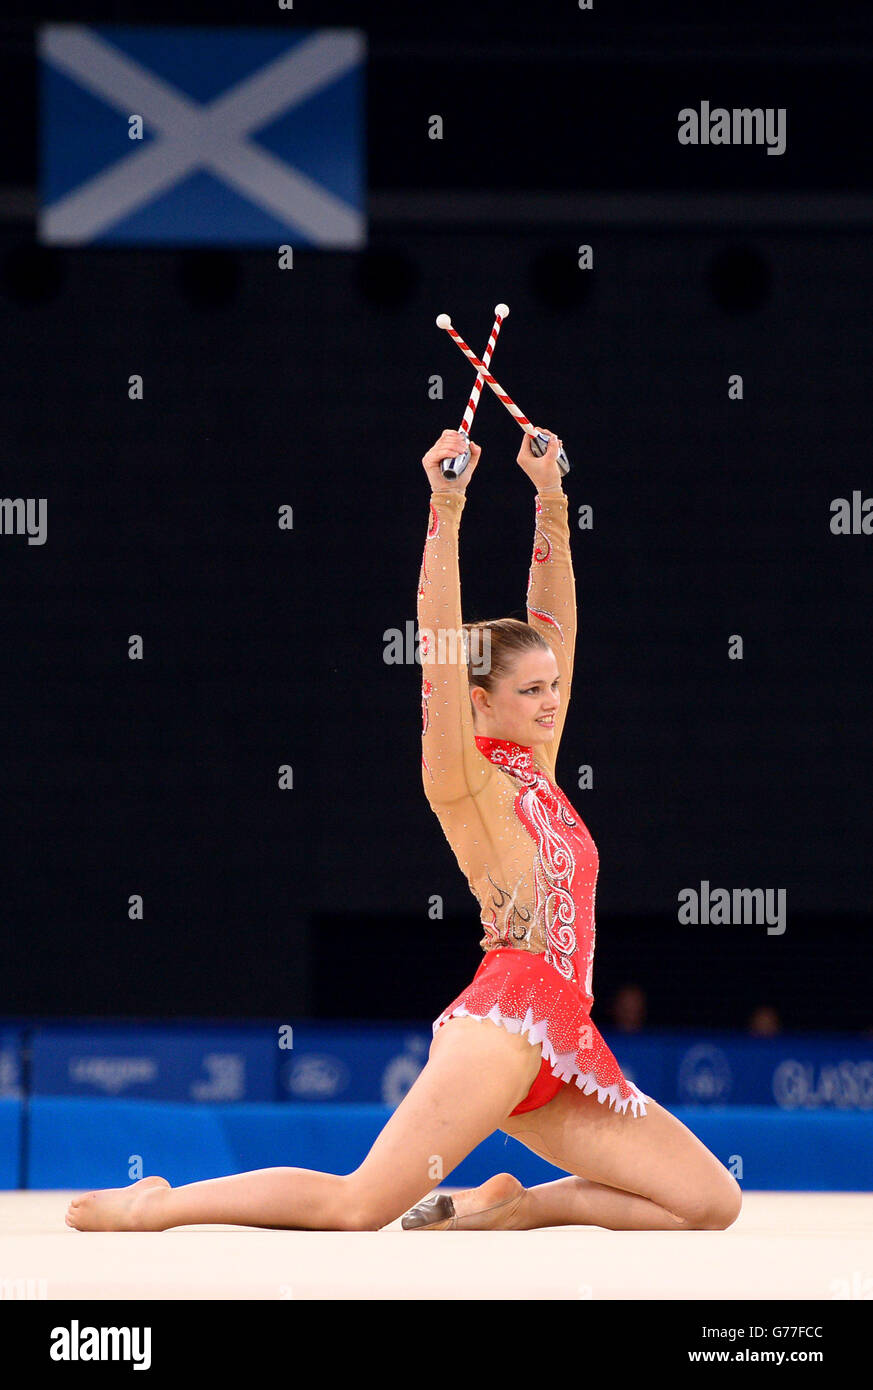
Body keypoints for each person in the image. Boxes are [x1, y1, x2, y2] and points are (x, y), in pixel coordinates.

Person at [65, 427, 741, 1235]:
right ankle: (157, 1204)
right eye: (530, 691)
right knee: (356, 1206)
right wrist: (446, 505)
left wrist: (551, 498)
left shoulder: (538, 765)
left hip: (561, 1036)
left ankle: (506, 1208)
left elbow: (552, 621)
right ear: (481, 700)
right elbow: (439, 645)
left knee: (707, 1203)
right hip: (501, 1025)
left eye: (553, 687)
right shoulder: (463, 775)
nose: (551, 701)